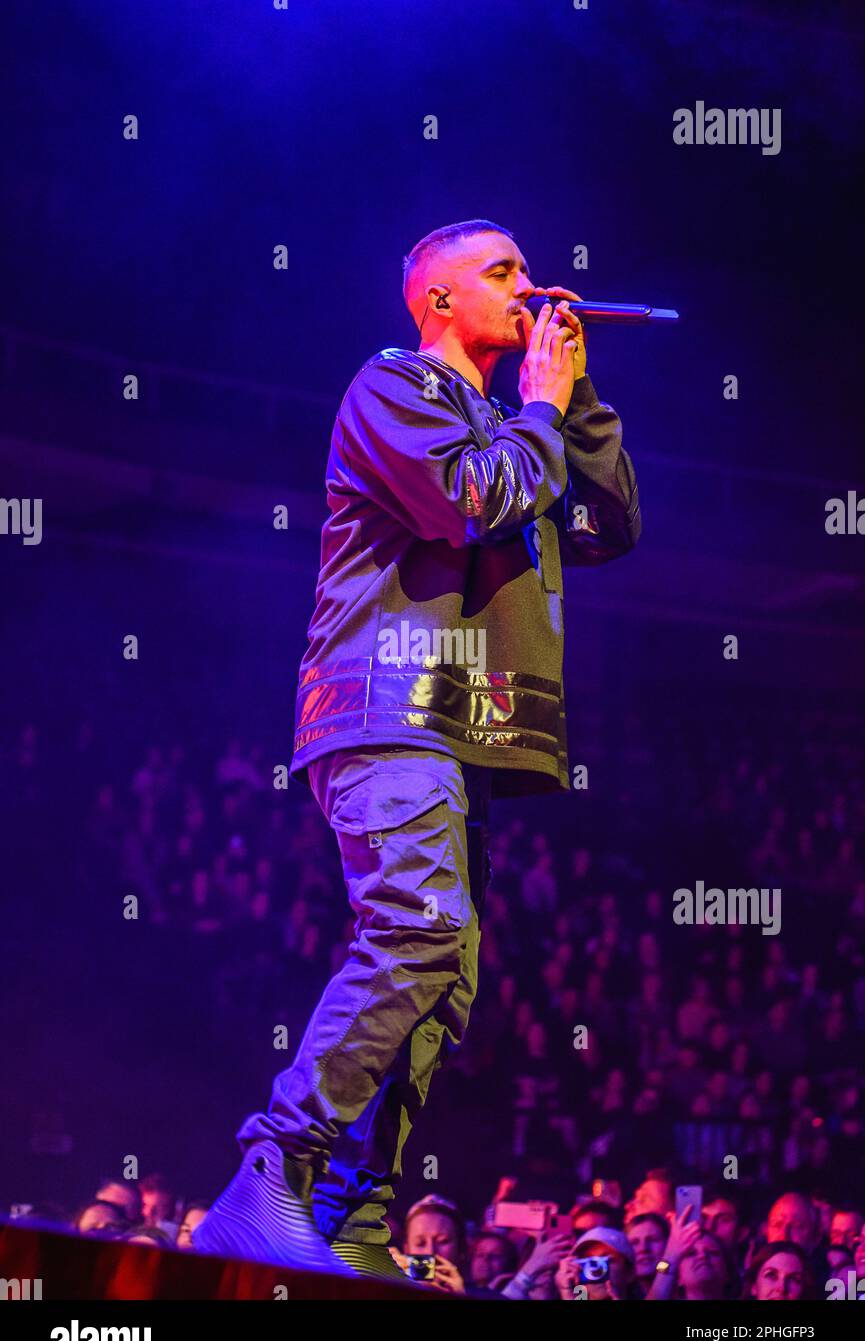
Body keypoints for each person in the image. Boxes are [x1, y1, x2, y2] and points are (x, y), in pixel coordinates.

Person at [193, 218, 640, 1280]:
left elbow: (608, 524)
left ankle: (350, 1214)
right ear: (437, 301)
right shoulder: (394, 386)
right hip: (383, 706)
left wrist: (572, 400)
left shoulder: (513, 424)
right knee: (417, 929)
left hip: (456, 725)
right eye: (503, 273)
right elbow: (473, 498)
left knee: (446, 982)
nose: (531, 289)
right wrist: (535, 404)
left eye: (528, 273)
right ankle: (270, 1174)